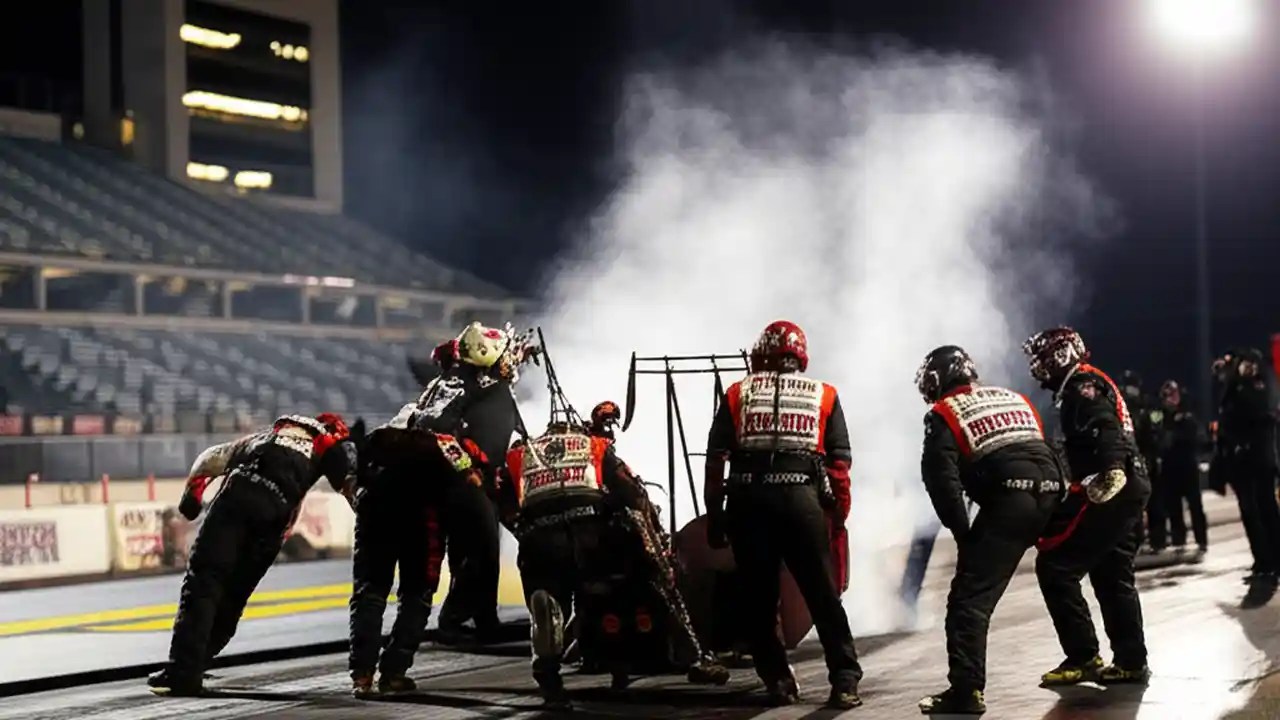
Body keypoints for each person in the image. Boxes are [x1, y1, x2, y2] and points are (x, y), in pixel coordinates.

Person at [704, 320, 861, 710]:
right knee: (821, 595)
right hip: (800, 501)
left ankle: (777, 680)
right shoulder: (824, 393)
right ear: (800, 355)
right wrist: (838, 512)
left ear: (760, 354)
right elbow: (839, 461)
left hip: (749, 502)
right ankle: (844, 680)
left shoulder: (738, 392)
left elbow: (715, 459)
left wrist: (714, 516)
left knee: (758, 599)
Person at [148, 413, 357, 696]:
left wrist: (191, 500)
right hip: (272, 518)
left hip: (234, 500)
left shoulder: (265, 436)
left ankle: (184, 670)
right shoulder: (329, 443)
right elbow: (352, 486)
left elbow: (210, 458)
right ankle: (193, 665)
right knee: (234, 596)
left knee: (203, 585)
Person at [912, 346, 1064, 715]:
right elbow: (1042, 447)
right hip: (1053, 492)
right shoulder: (1013, 397)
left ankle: (966, 691)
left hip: (1010, 500)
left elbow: (941, 480)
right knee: (1065, 575)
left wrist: (964, 534)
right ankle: (1090, 655)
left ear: (938, 379)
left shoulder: (943, 412)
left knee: (968, 600)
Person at [1022, 327, 1151, 687]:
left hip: (1113, 487)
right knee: (1112, 576)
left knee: (1055, 567)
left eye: (1043, 357)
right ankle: (1130, 661)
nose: (1038, 365)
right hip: (1128, 484)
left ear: (1061, 355)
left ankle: (1083, 656)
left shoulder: (1083, 384)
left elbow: (1105, 428)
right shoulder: (1083, 383)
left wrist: (1110, 471)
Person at [425, 322, 528, 643]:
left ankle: (485, 618)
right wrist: (465, 468)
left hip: (485, 478)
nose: (510, 361)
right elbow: (435, 427)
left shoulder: (488, 381)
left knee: (484, 548)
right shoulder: (458, 382)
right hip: (463, 480)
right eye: (505, 356)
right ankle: (452, 619)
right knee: (479, 548)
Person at [1210, 348, 1280, 608]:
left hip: (1258, 459)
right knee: (1251, 513)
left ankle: (1270, 564)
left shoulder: (1259, 382)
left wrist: (1239, 379)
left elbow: (1260, 410)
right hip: (1240, 462)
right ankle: (1263, 561)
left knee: (1264, 512)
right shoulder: (1233, 389)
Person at [1156, 380, 1208, 562]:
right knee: (1173, 506)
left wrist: (1177, 435)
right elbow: (1156, 435)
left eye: (1173, 394)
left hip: (1187, 465)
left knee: (1195, 505)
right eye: (1167, 395)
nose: (1170, 399)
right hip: (1170, 467)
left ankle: (1202, 540)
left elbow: (1197, 436)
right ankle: (1179, 540)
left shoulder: (1188, 414)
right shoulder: (1160, 416)